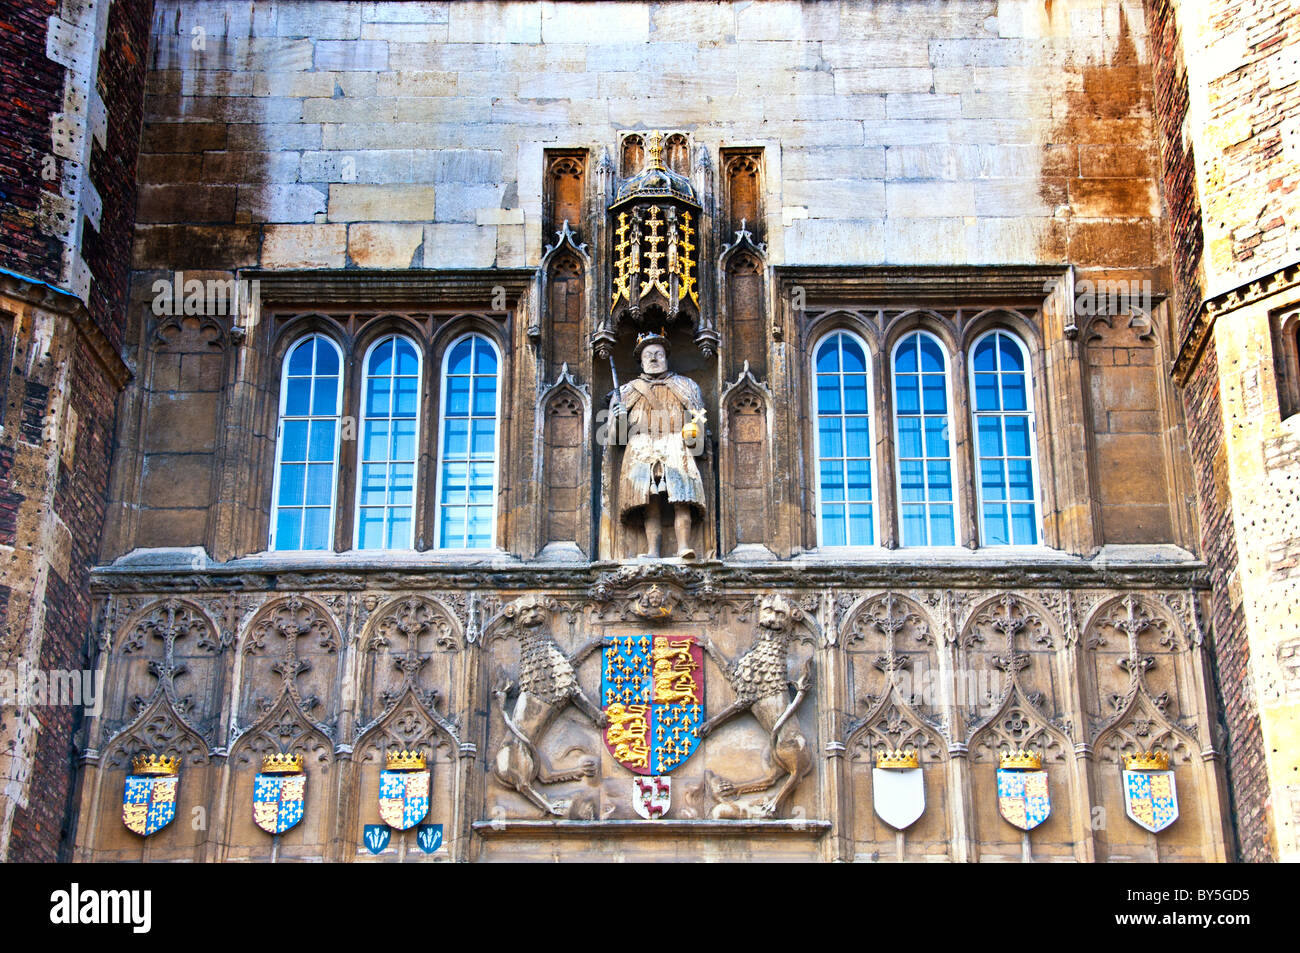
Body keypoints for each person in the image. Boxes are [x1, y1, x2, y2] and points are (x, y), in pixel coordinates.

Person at [611, 332, 706, 558]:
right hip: (641, 448)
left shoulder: (686, 385)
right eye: (648, 355)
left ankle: (683, 546)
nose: (654, 359)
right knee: (649, 502)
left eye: (659, 354)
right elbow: (615, 438)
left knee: (681, 497)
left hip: (675, 443)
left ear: (666, 357)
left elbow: (701, 419)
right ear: (640, 360)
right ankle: (652, 551)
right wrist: (617, 417)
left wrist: (695, 429)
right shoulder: (626, 391)